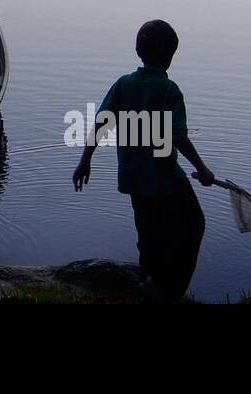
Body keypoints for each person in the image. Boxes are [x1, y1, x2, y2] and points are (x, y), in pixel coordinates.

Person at [72, 19, 215, 302]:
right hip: (166, 180)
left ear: (139, 51)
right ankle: (170, 291)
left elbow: (101, 123)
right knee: (193, 225)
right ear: (171, 55)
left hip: (135, 178)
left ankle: (149, 280)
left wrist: (85, 160)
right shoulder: (168, 90)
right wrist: (202, 169)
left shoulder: (124, 85)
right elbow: (177, 136)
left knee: (149, 233)